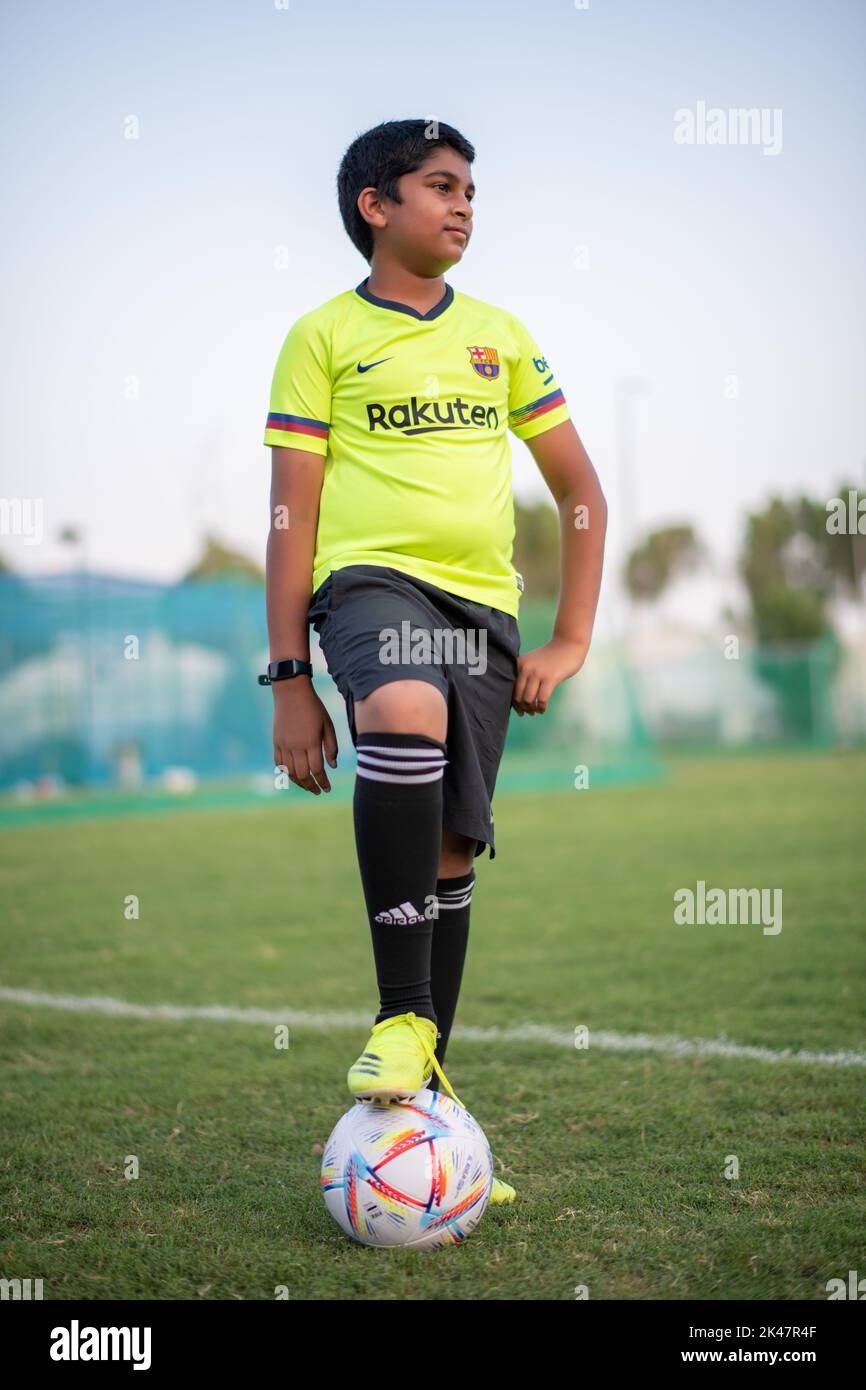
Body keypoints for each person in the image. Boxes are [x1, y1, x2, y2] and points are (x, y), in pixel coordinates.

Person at [263, 119, 606, 1204]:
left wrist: (569, 634)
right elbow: (290, 513)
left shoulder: (501, 335)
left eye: (471, 189)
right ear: (375, 204)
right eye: (439, 185)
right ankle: (399, 1019)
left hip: (487, 621)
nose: (463, 205)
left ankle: (429, 1111)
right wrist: (290, 678)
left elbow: (580, 490)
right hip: (369, 585)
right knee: (400, 705)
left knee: (452, 854)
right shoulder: (321, 336)